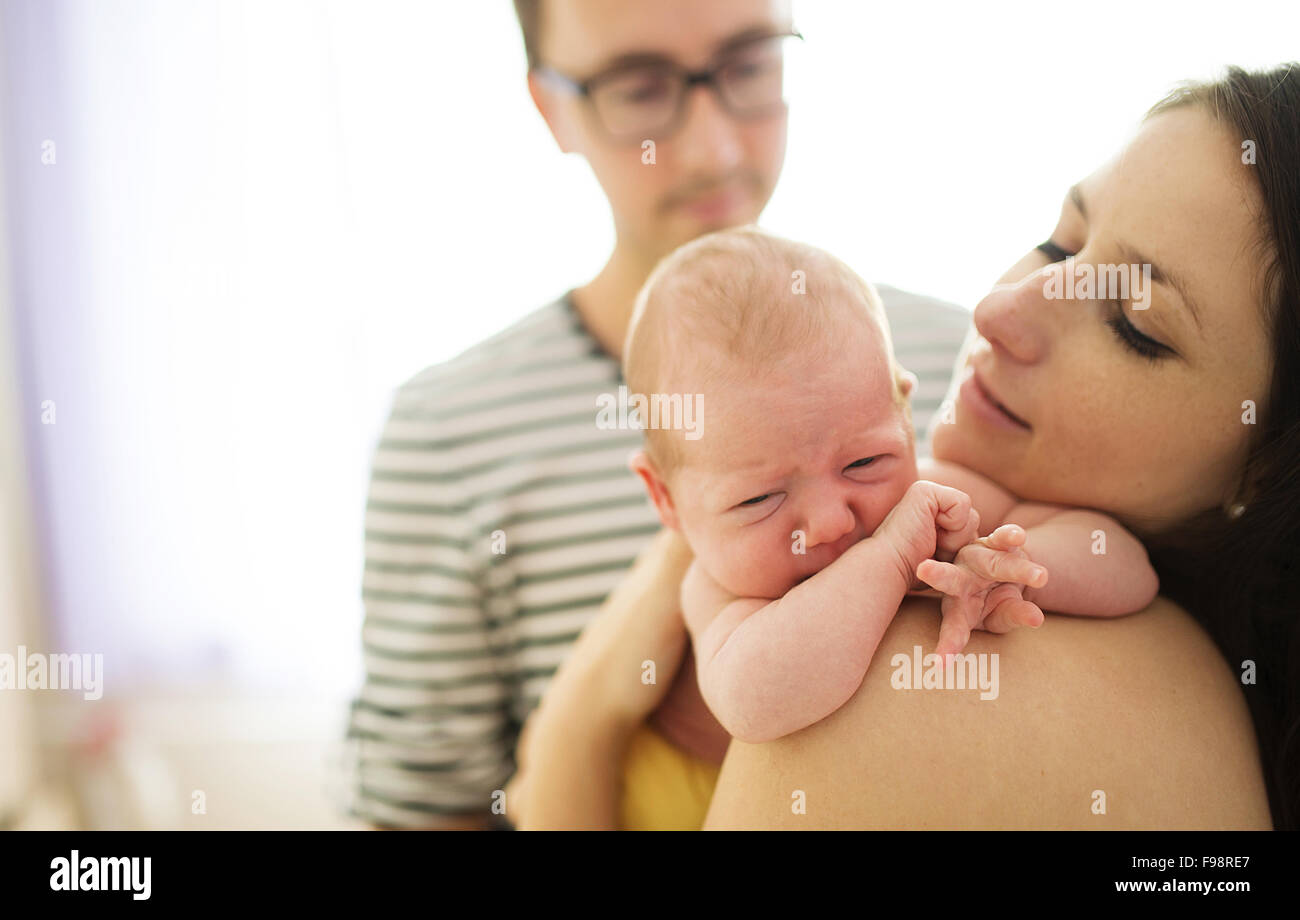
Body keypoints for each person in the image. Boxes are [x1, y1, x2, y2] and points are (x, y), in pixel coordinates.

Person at [509, 64, 1298, 830]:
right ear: (667, 503)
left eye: (1133, 325)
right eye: (1059, 246)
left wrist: (1020, 566)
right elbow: (756, 696)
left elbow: (1123, 568)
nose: (995, 309)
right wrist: (888, 563)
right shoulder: (725, 581)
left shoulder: (949, 502)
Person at [341, 0, 971, 829]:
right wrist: (583, 717)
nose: (714, 147)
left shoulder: (960, 358)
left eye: (750, 64)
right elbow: (420, 816)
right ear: (550, 107)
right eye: (640, 90)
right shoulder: (448, 434)